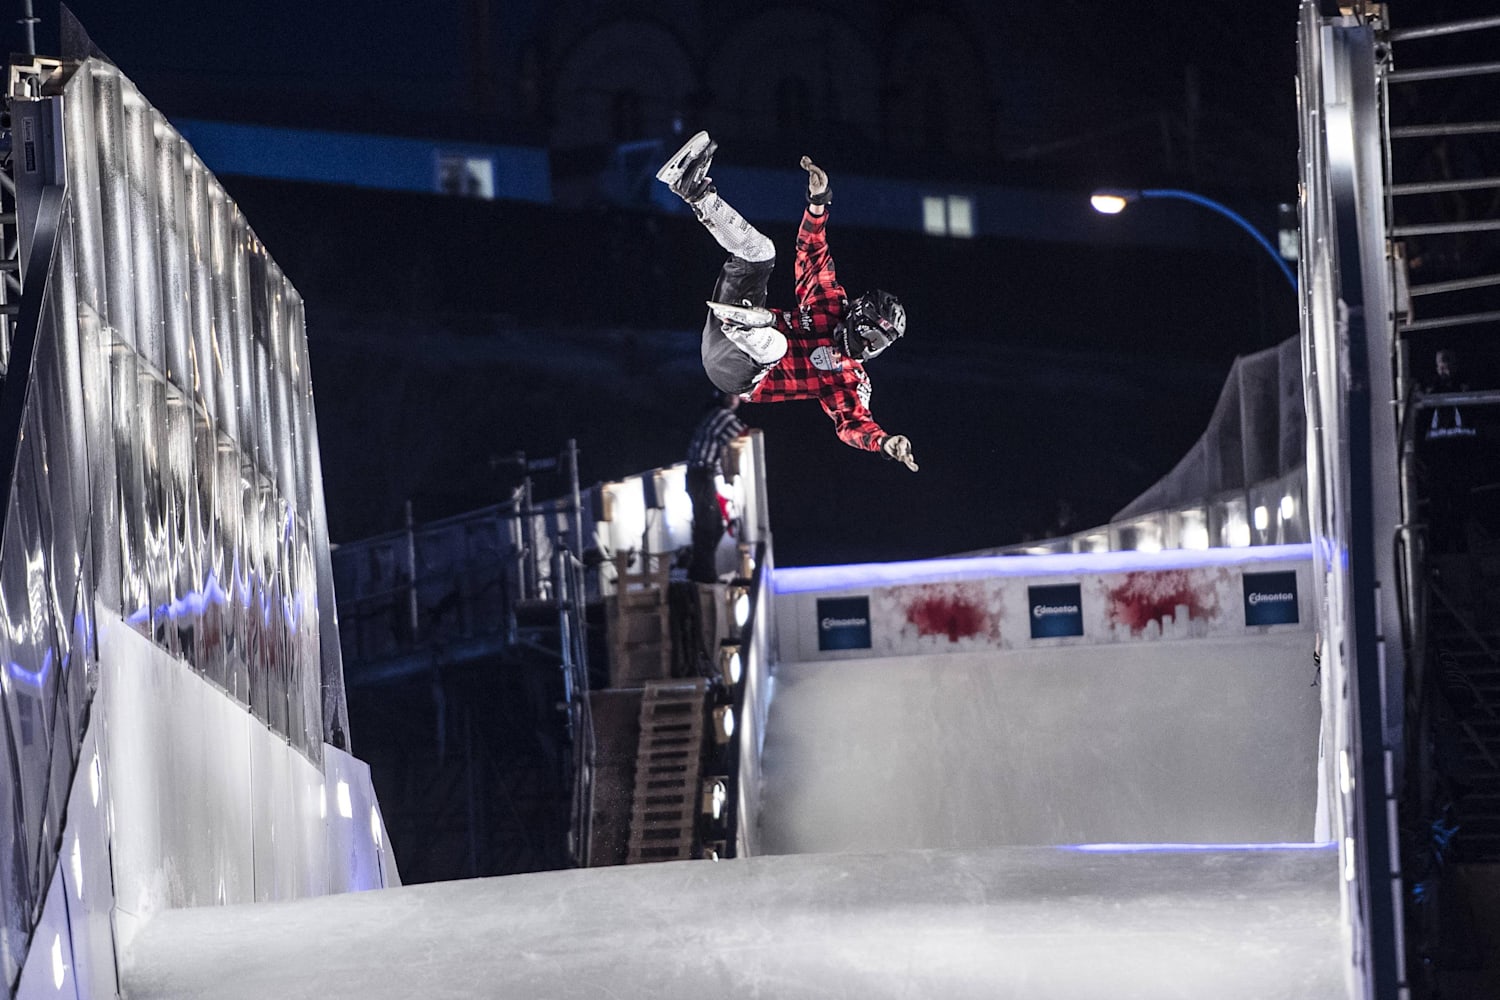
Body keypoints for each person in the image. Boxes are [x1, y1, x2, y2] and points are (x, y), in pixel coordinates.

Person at [656, 131, 919, 471]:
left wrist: (882, 442)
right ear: (857, 316)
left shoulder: (849, 380)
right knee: (761, 253)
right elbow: (811, 250)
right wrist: (818, 202)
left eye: (878, 346)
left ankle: (750, 328)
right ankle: (691, 187)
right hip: (723, 333)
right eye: (870, 336)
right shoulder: (829, 302)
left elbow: (853, 425)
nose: (868, 348)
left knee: (777, 345)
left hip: (737, 374)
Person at [685, 391, 747, 584]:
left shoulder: (711, 414)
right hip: (702, 475)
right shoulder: (723, 416)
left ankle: (700, 569)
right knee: (708, 526)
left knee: (711, 525)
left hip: (698, 476)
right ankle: (703, 574)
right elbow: (743, 435)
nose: (735, 399)